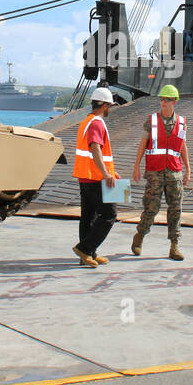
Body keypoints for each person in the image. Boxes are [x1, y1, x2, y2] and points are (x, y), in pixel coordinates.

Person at [130, 84, 191, 261]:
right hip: (155, 172)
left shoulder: (181, 122)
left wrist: (188, 169)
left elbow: (183, 147)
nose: (163, 102)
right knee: (151, 208)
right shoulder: (151, 121)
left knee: (176, 209)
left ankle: (174, 246)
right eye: (162, 99)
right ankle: (139, 236)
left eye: (167, 100)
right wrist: (136, 166)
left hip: (174, 173)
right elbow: (143, 143)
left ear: (175, 102)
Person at [73, 86, 118, 268]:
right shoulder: (97, 123)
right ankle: (85, 248)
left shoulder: (86, 121)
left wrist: (111, 172)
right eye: (110, 106)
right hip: (96, 178)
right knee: (109, 214)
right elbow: (95, 148)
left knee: (88, 216)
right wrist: (107, 174)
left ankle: (88, 254)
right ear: (105, 105)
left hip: (85, 176)